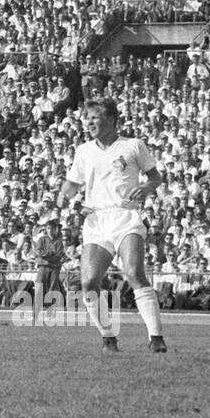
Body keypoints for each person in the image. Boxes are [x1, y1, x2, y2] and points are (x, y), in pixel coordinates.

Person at [57, 97, 168, 354]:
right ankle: (108, 338)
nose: (89, 122)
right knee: (88, 282)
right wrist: (64, 195)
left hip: (125, 216)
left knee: (133, 272)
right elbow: (72, 184)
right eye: (88, 118)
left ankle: (156, 337)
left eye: (95, 117)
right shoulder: (84, 151)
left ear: (111, 119)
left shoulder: (132, 146)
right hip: (96, 221)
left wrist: (146, 188)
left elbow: (155, 177)